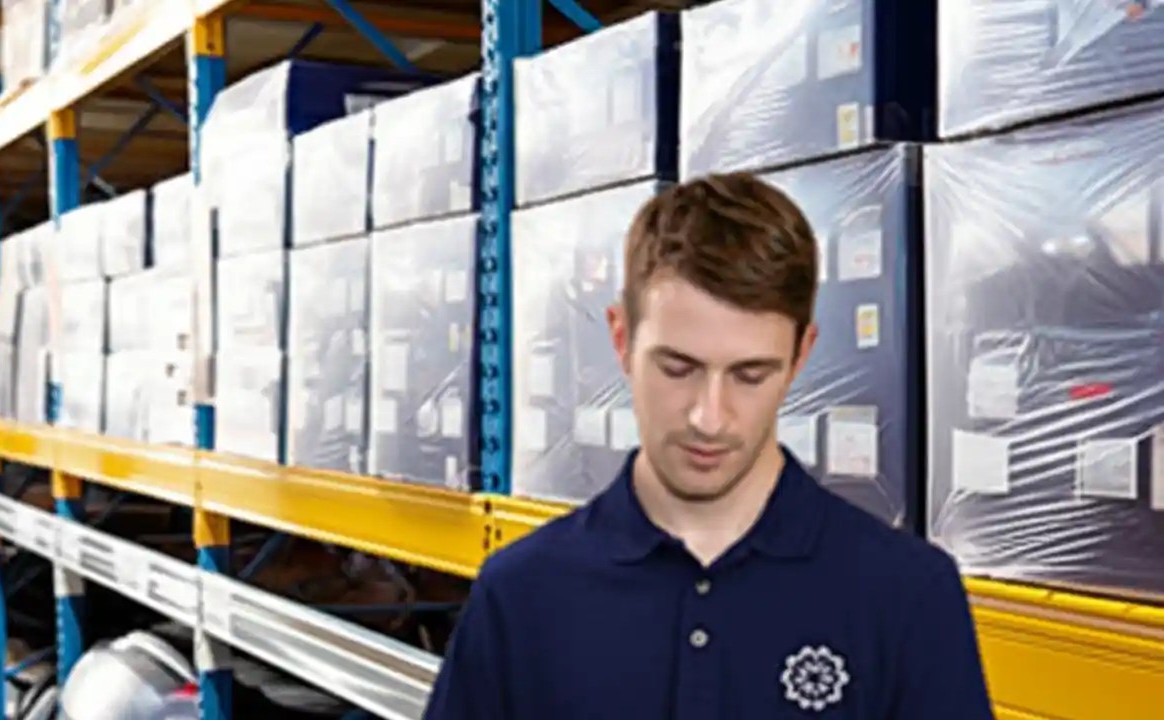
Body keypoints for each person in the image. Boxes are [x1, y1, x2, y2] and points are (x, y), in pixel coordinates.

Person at [423, 173, 995, 719]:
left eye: (750, 375)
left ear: (801, 355)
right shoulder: (522, 597)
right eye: (678, 368)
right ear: (621, 340)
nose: (709, 417)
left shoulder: (908, 598)